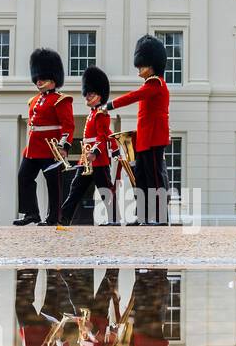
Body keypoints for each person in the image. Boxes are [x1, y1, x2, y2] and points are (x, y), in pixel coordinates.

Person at [109, 35, 172, 226]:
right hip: (145, 139)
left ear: (152, 65)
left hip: (154, 138)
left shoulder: (156, 84)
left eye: (142, 66)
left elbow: (133, 97)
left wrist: (111, 105)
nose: (139, 71)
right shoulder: (150, 84)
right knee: (142, 179)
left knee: (155, 178)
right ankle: (143, 215)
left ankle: (161, 216)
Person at [16, 48, 73, 226]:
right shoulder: (33, 100)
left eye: (43, 77)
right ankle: (31, 213)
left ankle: (54, 218)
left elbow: (68, 126)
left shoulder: (61, 100)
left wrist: (63, 147)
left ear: (53, 79)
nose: (39, 80)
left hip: (51, 149)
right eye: (37, 77)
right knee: (24, 177)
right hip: (33, 148)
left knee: (53, 184)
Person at [60, 66, 116, 226]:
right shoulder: (92, 113)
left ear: (99, 96)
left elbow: (102, 135)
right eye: (87, 93)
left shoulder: (101, 114)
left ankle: (114, 219)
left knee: (105, 191)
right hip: (86, 159)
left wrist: (95, 152)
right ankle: (64, 217)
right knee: (75, 188)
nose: (88, 96)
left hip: (98, 160)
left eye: (91, 93)